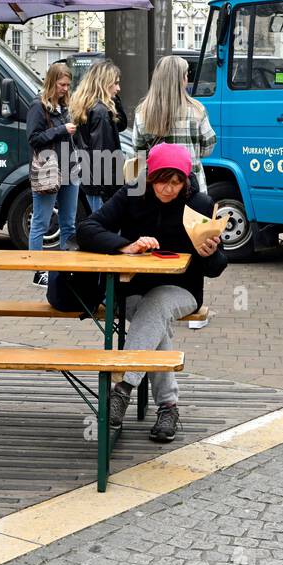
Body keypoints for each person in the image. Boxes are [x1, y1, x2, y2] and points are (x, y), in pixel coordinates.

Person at [76, 143, 227, 442]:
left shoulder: (199, 203)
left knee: (157, 304)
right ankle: (168, 406)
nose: (168, 189)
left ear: (185, 181)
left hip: (181, 290)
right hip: (132, 289)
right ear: (149, 177)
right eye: (161, 180)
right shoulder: (131, 195)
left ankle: (122, 387)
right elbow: (87, 228)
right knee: (155, 321)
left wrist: (209, 252)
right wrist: (124, 245)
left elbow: (217, 266)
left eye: (176, 182)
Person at [26, 62, 80, 287]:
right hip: (48, 169)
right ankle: (38, 272)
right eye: (61, 84)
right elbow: (33, 138)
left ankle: (66, 270)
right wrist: (61, 129)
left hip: (70, 169)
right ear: (51, 82)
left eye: (68, 84)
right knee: (41, 222)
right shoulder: (38, 106)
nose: (65, 88)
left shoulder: (66, 106)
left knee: (69, 222)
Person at [133, 55, 216, 193]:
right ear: (181, 80)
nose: (187, 78)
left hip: (159, 191)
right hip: (191, 189)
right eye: (186, 75)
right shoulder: (197, 110)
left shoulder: (142, 112)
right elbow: (207, 148)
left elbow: (139, 154)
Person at [69, 59, 124, 213]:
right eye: (116, 83)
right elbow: (103, 154)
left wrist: (113, 98)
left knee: (98, 227)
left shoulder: (85, 106)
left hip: (90, 180)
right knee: (106, 231)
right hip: (102, 186)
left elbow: (122, 124)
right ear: (104, 83)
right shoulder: (100, 112)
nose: (118, 88)